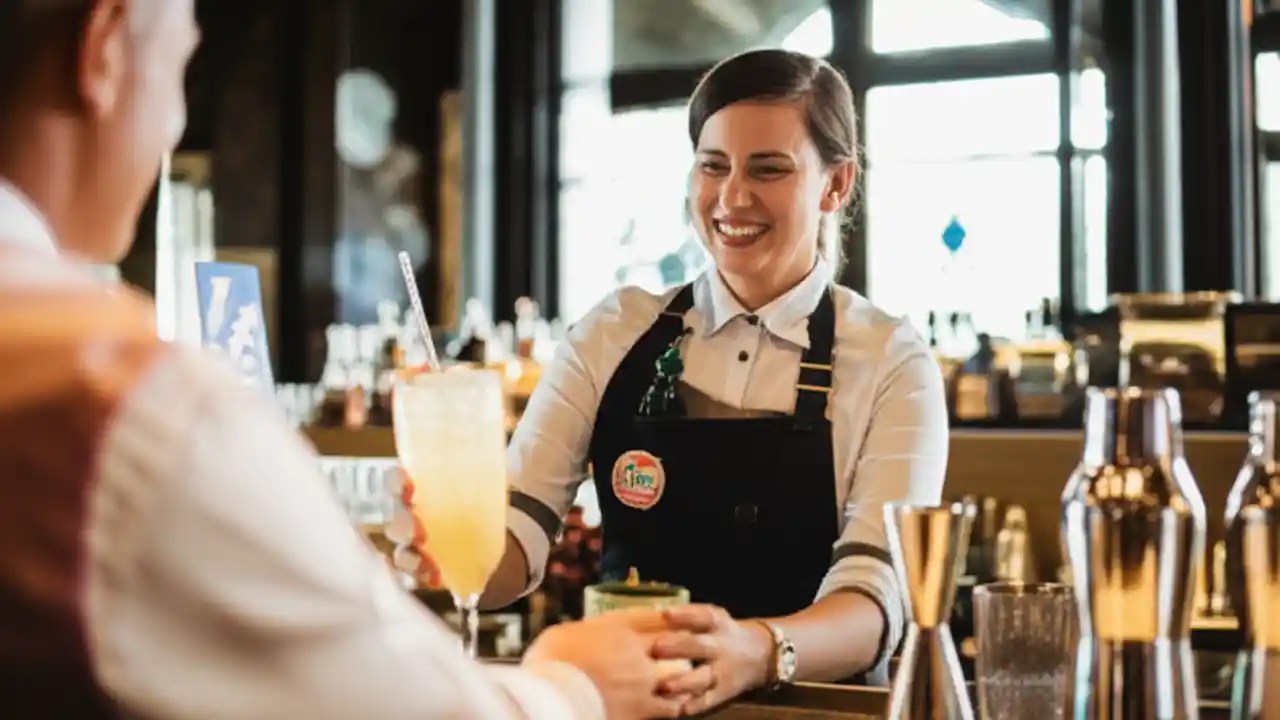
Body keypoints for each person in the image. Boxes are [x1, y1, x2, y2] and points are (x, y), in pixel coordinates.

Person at [0, 1, 687, 718]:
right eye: (180, 67)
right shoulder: (134, 406)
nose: (174, 120)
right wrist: (572, 683)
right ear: (104, 48)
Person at [487, 49, 949, 714]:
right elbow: (512, 547)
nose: (732, 197)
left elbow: (878, 599)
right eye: (713, 166)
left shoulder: (891, 361)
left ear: (835, 185)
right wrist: (445, 543)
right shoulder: (613, 333)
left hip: (813, 713)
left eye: (769, 169)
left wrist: (759, 651)